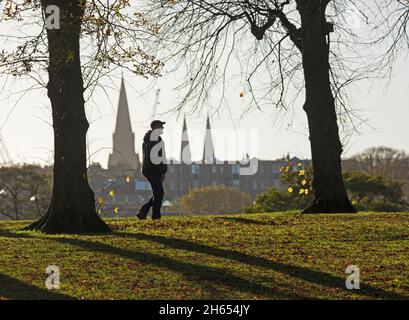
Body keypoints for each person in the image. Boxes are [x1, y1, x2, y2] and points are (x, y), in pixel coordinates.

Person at [137, 120, 167, 220]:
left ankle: (143, 212)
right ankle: (155, 216)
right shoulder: (154, 139)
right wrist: (162, 172)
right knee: (159, 193)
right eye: (161, 126)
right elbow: (157, 157)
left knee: (157, 193)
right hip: (154, 170)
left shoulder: (148, 139)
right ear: (155, 127)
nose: (162, 128)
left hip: (148, 170)